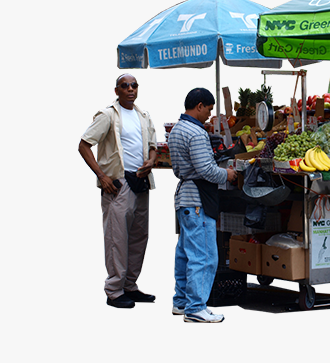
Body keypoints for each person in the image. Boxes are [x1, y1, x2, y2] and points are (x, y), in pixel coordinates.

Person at [79, 74, 158, 309]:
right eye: (125, 86)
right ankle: (114, 290)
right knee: (117, 238)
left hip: (141, 181)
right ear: (117, 90)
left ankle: (130, 286)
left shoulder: (144, 116)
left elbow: (153, 148)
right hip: (118, 184)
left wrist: (151, 162)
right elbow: (84, 145)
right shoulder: (108, 116)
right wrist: (102, 176)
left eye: (134, 85)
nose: (131, 89)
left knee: (138, 237)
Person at [168, 88, 238, 323]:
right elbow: (206, 170)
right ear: (199, 105)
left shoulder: (178, 128)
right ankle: (196, 307)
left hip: (184, 199)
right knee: (205, 255)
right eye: (208, 109)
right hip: (197, 200)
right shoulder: (196, 133)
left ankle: (181, 302)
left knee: (185, 254)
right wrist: (227, 174)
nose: (209, 114)